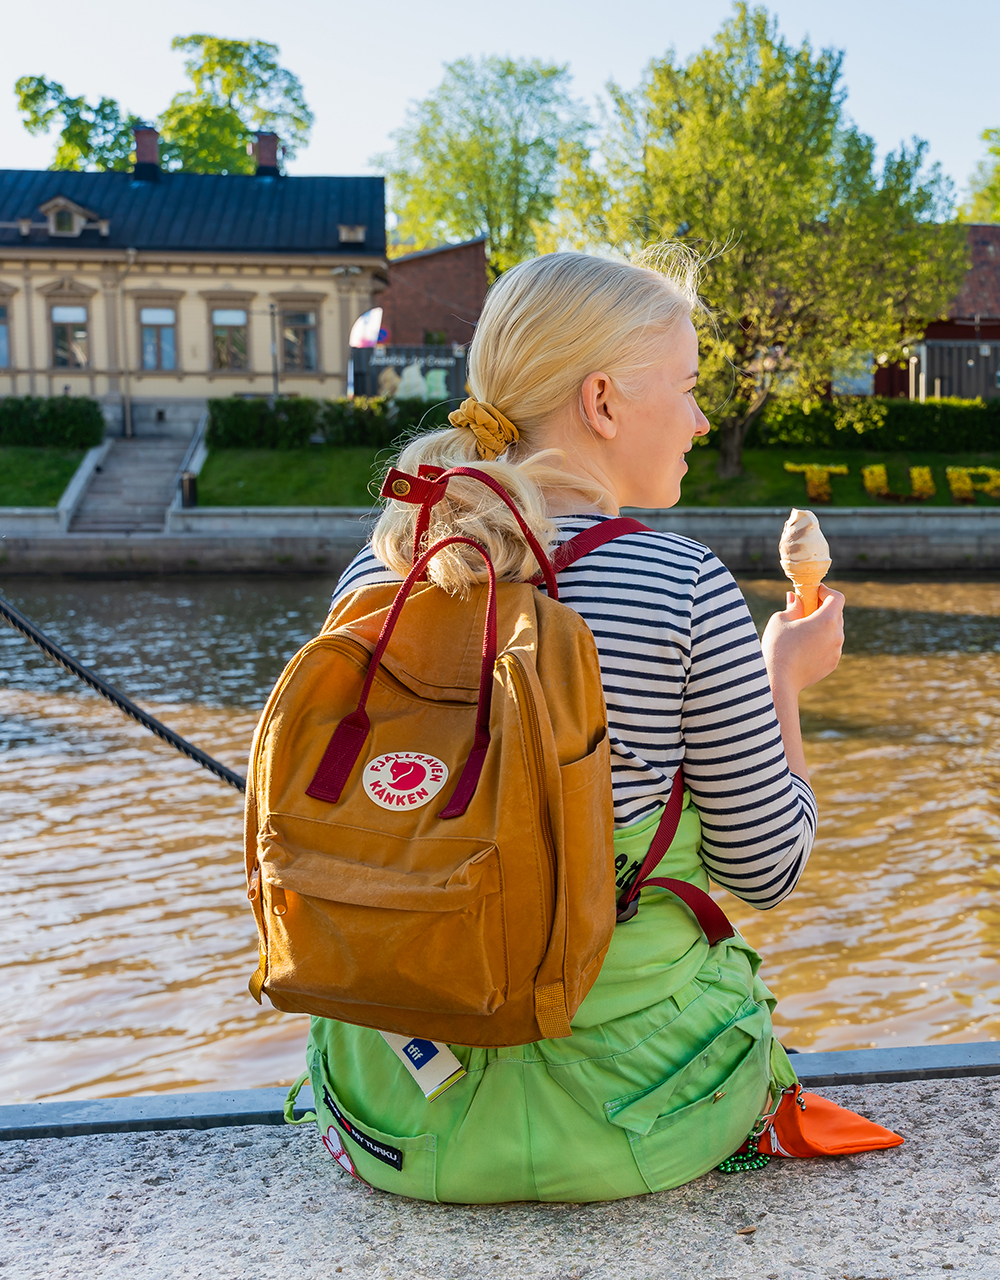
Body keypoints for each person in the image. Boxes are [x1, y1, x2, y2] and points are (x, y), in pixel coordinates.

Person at [310, 250, 845, 1202]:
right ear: (602, 402)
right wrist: (783, 681)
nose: (700, 418)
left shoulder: (381, 573)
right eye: (685, 388)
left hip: (392, 1108)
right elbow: (768, 869)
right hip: (635, 1107)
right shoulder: (681, 586)